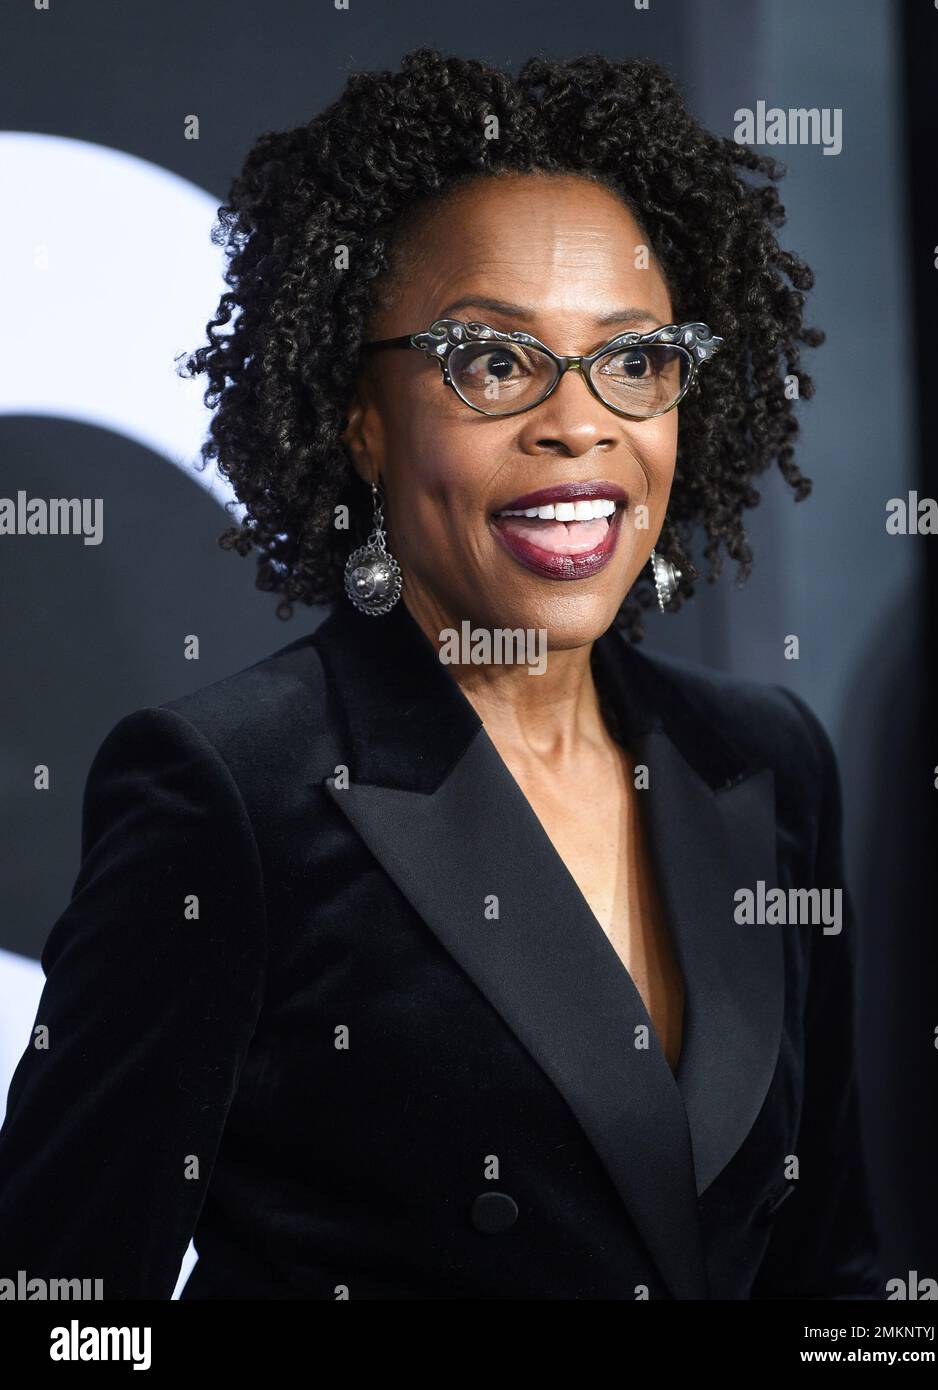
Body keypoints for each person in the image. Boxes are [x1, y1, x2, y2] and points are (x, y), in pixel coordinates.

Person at [0, 47, 882, 1300]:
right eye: (494, 361)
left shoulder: (764, 759)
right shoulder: (232, 792)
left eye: (634, 359)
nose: (579, 422)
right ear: (359, 417)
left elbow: (830, 1273)